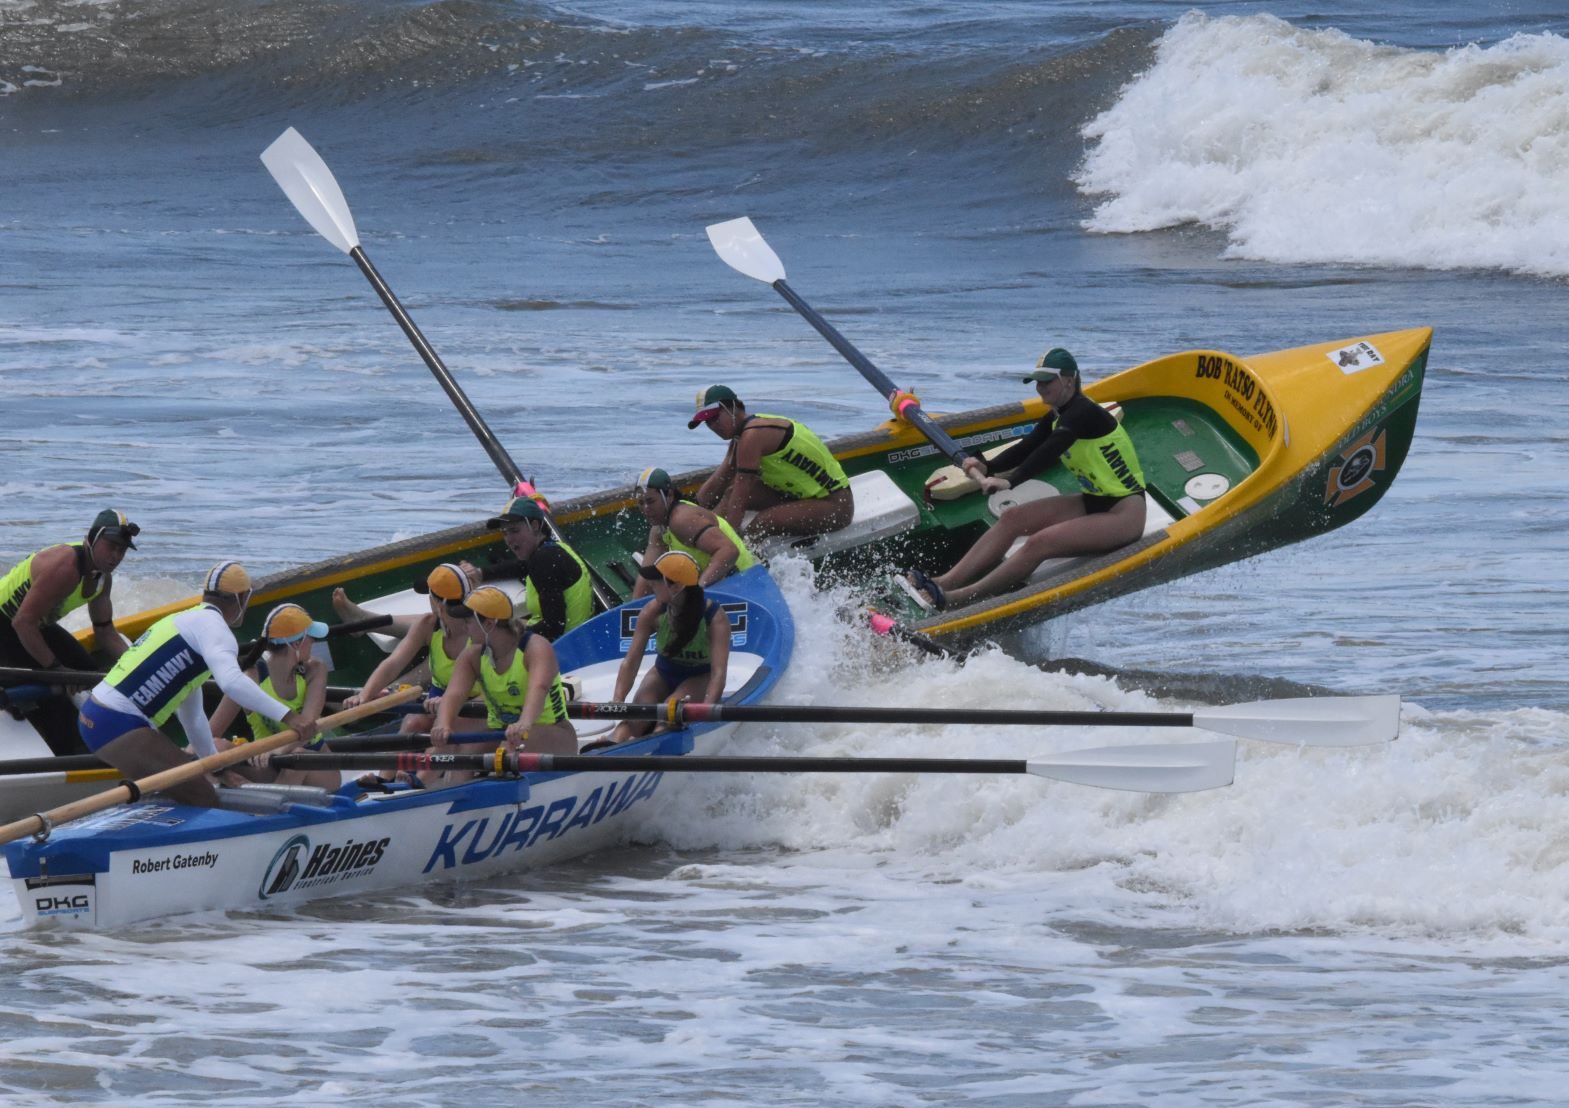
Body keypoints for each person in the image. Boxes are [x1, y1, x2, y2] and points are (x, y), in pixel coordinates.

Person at [901, 348, 1147, 612]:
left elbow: (1049, 450)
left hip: (1125, 513)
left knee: (1040, 542)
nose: (1040, 388)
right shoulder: (1057, 414)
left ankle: (956, 598)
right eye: (1037, 382)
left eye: (1047, 381)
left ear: (1069, 380)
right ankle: (944, 582)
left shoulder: (1083, 413)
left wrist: (1010, 482)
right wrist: (987, 466)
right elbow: (1026, 447)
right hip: (1095, 501)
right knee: (1012, 519)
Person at [76, 562, 318, 808]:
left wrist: (217, 767)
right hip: (120, 723)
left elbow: (192, 717)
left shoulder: (182, 621)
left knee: (179, 784)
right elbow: (232, 682)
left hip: (92, 716)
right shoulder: (218, 631)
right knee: (202, 795)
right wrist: (290, 717)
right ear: (243, 597)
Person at [0, 509, 139, 755]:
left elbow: (106, 633)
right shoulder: (65, 568)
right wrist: (56, 670)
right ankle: (62, 750)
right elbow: (22, 623)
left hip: (33, 625)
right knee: (57, 683)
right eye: (112, 546)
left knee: (86, 670)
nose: (116, 556)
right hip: (8, 625)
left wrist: (137, 663)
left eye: (122, 550)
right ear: (92, 539)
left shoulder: (102, 579)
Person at [342, 563, 482, 788]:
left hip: (479, 700)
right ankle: (383, 779)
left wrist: (447, 704)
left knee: (447, 728)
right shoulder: (428, 624)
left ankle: (418, 783)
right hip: (440, 695)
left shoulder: (477, 630)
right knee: (412, 722)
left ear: (437, 602)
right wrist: (365, 695)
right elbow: (393, 663)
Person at [429, 586, 576, 787]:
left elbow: (539, 689)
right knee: (464, 754)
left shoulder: (535, 648)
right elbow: (453, 695)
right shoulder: (472, 656)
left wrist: (524, 723)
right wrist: (443, 724)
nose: (464, 627)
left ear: (489, 624)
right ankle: (445, 798)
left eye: (468, 621)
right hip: (504, 733)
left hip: (553, 733)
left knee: (507, 749)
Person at [688, 384, 854, 540]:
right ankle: (701, 544)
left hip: (835, 505)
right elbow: (719, 480)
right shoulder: (742, 435)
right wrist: (691, 512)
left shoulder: (753, 436)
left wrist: (729, 545)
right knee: (729, 493)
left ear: (732, 408)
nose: (713, 426)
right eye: (707, 422)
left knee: (762, 523)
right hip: (796, 496)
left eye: (715, 418)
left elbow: (740, 500)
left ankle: (741, 564)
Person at [207, 603, 338, 792]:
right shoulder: (249, 679)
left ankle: (265, 806)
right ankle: (243, 787)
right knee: (215, 746)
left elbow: (307, 728)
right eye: (311, 638)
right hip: (266, 766)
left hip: (316, 766)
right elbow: (209, 733)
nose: (314, 643)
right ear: (296, 643)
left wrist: (277, 749)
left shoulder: (315, 669)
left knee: (297, 756)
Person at [608, 551, 731, 745]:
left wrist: (707, 712)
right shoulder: (652, 612)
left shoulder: (714, 618)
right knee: (633, 720)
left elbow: (718, 674)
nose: (650, 585)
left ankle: (656, 744)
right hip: (662, 673)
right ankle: (612, 745)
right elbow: (630, 662)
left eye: (657, 581)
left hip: (698, 678)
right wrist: (617, 701)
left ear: (676, 586)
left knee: (668, 714)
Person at [631, 467, 757, 598]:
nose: (646, 509)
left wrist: (699, 590)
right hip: (722, 582)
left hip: (746, 581)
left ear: (669, 496)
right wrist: (633, 609)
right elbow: (647, 576)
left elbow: (729, 551)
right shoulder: (658, 530)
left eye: (651, 501)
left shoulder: (682, 519)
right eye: (641, 503)